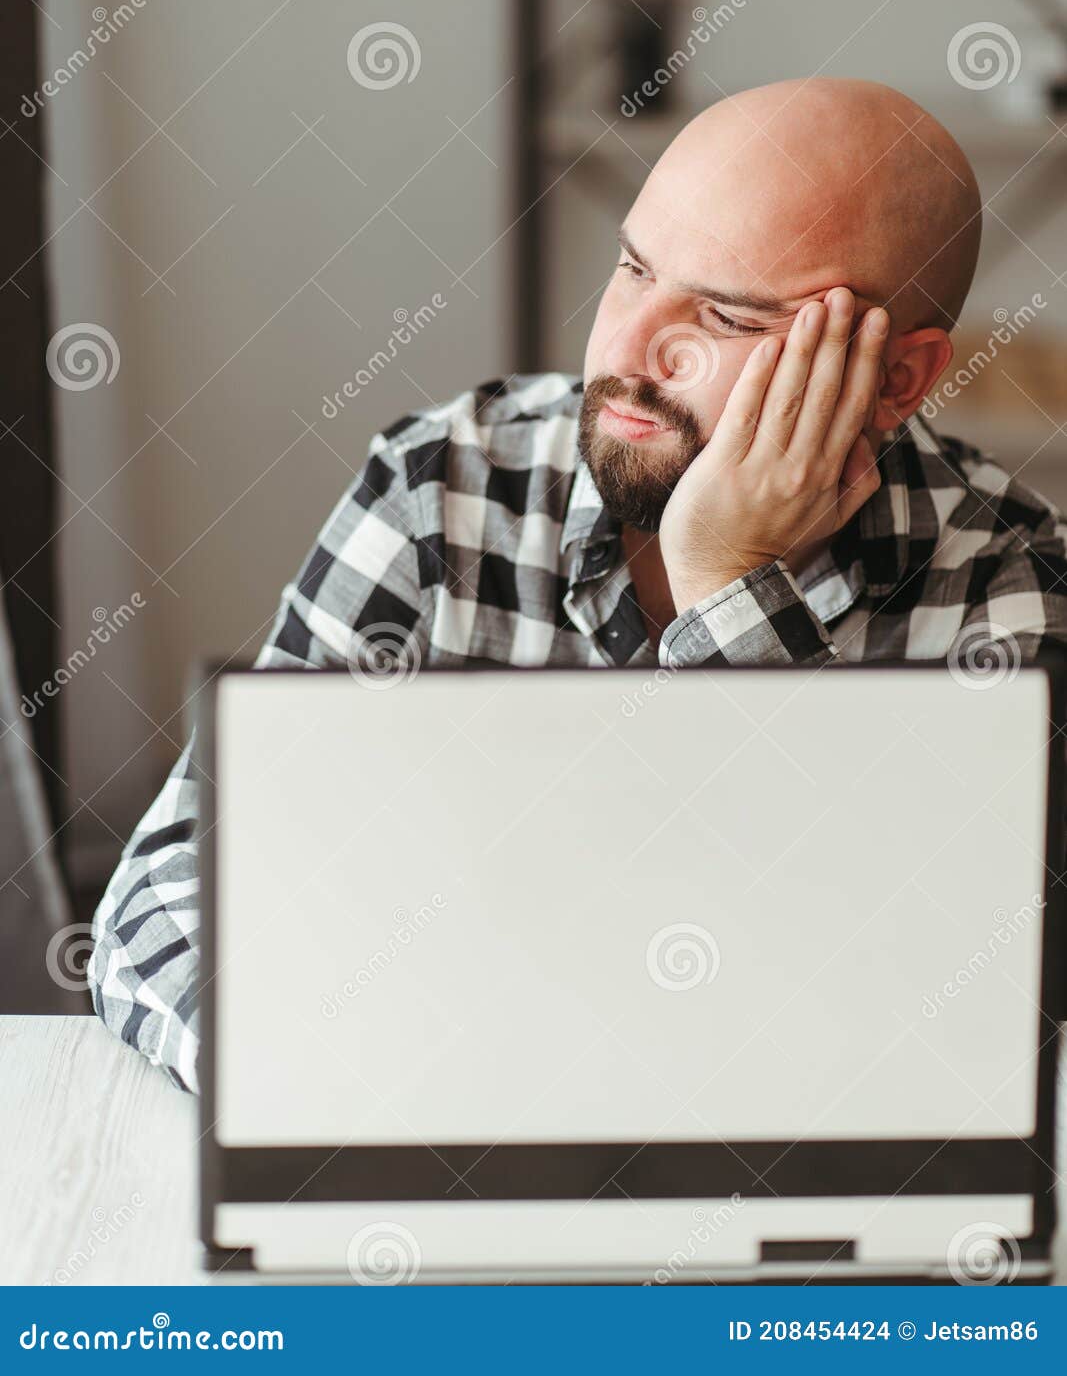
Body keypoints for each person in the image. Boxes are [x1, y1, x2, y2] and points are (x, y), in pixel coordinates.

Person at [88, 77, 1067, 1093]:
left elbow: (916, 1026)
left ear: (895, 380)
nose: (629, 350)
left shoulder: (1002, 588)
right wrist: (323, 1078)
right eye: (632, 267)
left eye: (725, 317)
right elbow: (168, 896)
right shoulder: (447, 488)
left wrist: (722, 591)